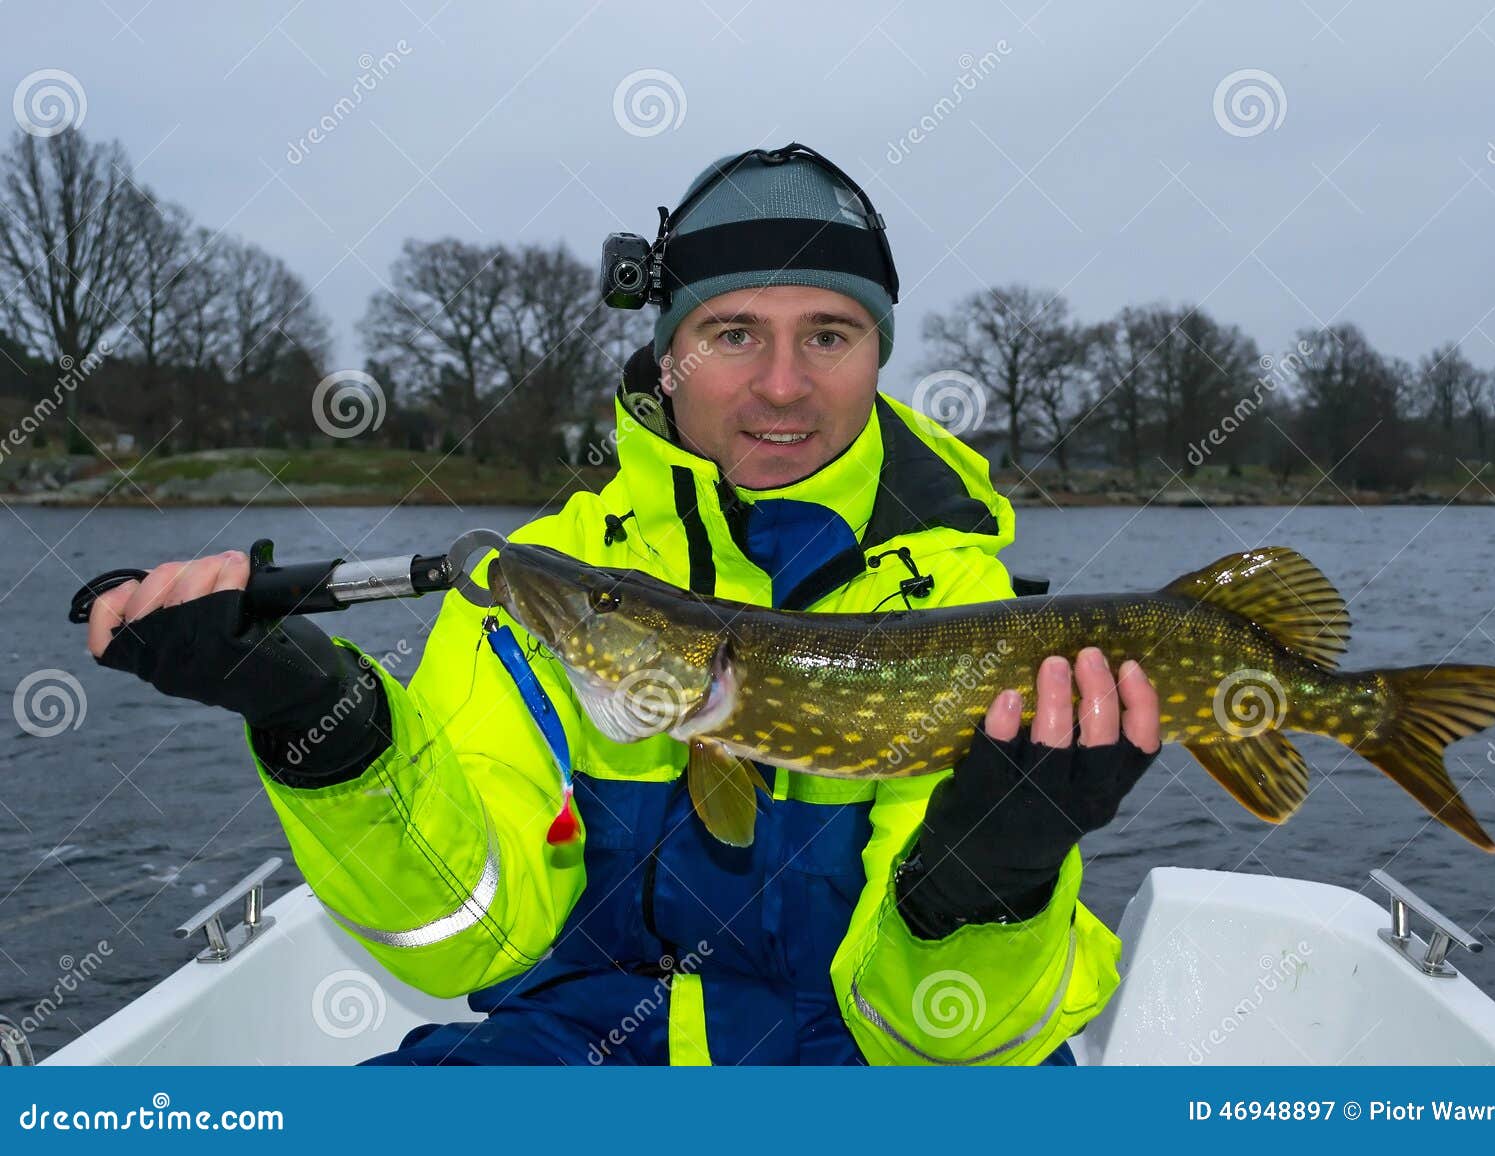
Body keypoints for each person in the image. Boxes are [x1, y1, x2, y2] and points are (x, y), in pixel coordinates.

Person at [85, 144, 1161, 1065]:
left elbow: (932, 1035)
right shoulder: (538, 578)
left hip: (857, 1056)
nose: (781, 384)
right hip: (584, 1043)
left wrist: (982, 888)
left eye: (828, 333)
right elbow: (469, 934)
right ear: (667, 354)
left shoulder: (963, 604)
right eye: (732, 332)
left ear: (877, 353)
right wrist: (324, 727)